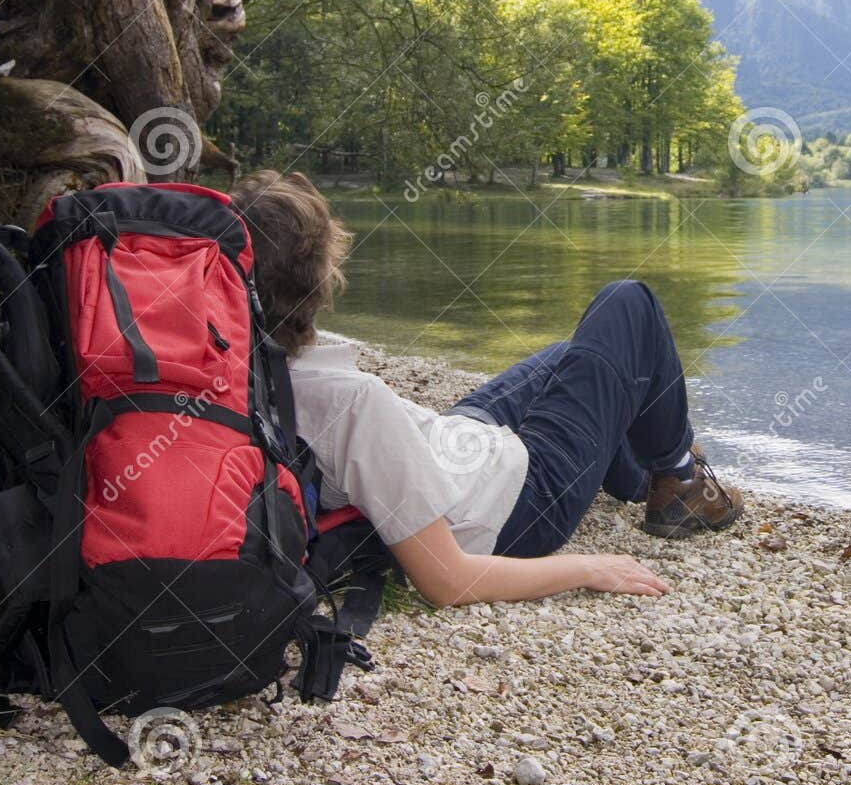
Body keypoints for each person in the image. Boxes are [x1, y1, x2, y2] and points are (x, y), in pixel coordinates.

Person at [229, 171, 745, 607]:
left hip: (452, 448)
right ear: (321, 276)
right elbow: (446, 580)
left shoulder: (237, 373)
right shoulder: (351, 403)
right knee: (629, 304)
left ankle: (644, 470)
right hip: (522, 497)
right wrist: (588, 567)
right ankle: (678, 476)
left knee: (574, 355)